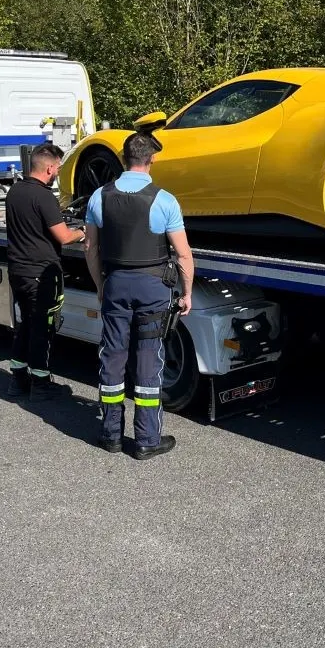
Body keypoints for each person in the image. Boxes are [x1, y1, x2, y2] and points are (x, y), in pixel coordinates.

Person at [83, 131, 194, 460]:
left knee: (112, 357)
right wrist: (187, 292)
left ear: (123, 159)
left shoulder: (98, 197)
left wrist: (101, 286)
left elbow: (90, 248)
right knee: (148, 358)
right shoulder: (164, 199)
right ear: (152, 159)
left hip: (116, 283)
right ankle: (146, 439)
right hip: (152, 288)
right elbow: (184, 255)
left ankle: (111, 434)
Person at [5, 142, 85, 402]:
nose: (59, 173)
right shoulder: (44, 197)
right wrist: (83, 232)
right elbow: (62, 236)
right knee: (43, 329)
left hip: (18, 271)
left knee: (25, 325)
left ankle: (17, 380)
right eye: (59, 168)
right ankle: (40, 383)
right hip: (42, 274)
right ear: (50, 167)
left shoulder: (14, 191)